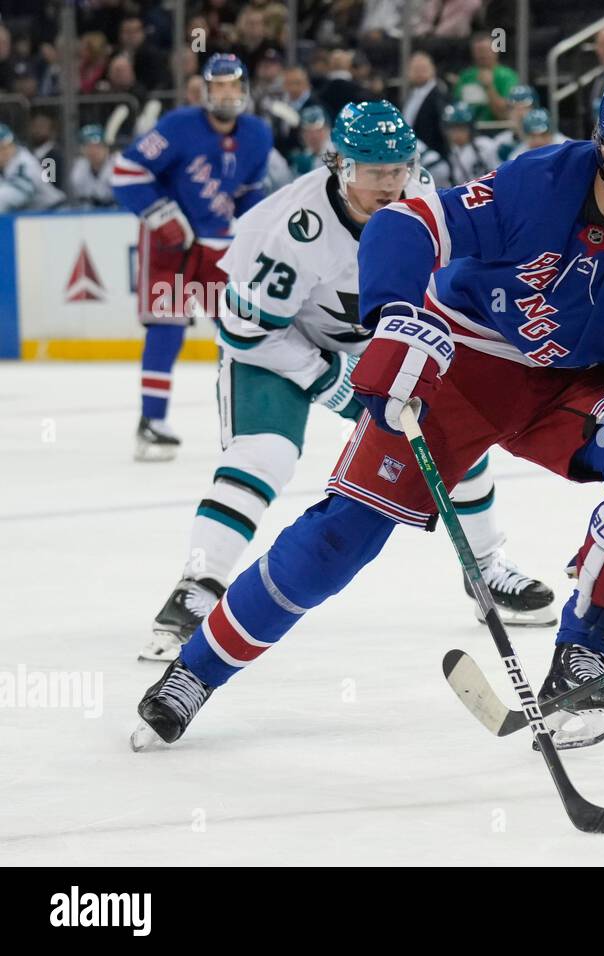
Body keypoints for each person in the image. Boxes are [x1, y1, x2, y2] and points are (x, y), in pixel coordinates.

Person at [132, 60, 604, 753]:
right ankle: (195, 672)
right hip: (463, 364)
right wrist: (397, 318)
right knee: (342, 537)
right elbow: (405, 226)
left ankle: (579, 660)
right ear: (603, 142)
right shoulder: (538, 183)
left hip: (573, 388)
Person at [140, 100, 555, 663]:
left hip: (364, 343)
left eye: (398, 169)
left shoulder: (420, 192)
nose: (388, 184)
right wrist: (325, 379)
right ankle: (200, 583)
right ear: (338, 165)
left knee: (459, 433)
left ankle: (484, 572)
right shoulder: (288, 227)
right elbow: (245, 332)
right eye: (371, 171)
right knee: (263, 456)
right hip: (273, 348)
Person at [111, 54, 274, 461]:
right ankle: (152, 422)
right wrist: (160, 214)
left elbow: (248, 192)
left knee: (237, 332)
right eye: (217, 86)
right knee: (166, 328)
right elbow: (126, 171)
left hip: (219, 249)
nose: (225, 94)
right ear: (204, 91)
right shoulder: (178, 126)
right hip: (172, 247)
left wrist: (262, 222)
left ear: (245, 90)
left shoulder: (258, 134)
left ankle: (239, 419)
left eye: (232, 86)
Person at [424, 101, 498, 187]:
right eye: (452, 128)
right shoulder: (451, 152)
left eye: (461, 128)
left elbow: (497, 171)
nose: (456, 133)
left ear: (470, 127)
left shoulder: (485, 145)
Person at [453, 30, 519, 123]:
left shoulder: (507, 76)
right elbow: (457, 107)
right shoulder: (465, 77)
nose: (482, 55)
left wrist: (489, 87)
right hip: (470, 129)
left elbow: (505, 113)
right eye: (478, 51)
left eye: (486, 50)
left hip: (497, 130)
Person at [0, 123, 65, 212]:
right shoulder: (7, 163)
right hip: (33, 216)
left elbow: (7, 198)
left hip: (54, 215)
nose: (4, 151)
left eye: (4, 148)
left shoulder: (24, 163)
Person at [69, 124, 117, 206]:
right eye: (88, 146)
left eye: (98, 146)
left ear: (106, 149)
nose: (93, 151)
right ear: (82, 150)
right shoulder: (79, 168)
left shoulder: (117, 165)